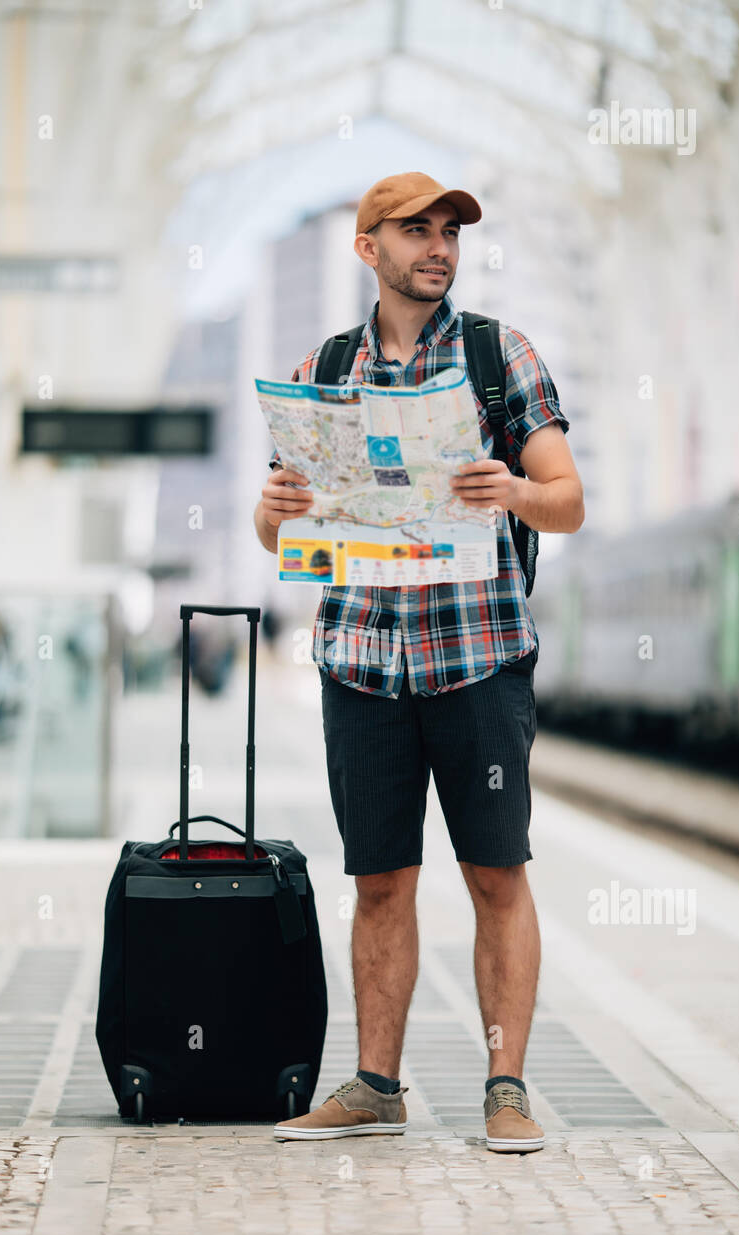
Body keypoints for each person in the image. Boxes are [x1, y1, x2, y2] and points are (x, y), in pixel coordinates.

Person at [254, 172, 584, 1152]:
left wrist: (515, 492)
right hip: (359, 662)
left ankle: (504, 1087)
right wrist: (271, 520)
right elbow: (290, 538)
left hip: (476, 660)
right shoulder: (324, 366)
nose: (437, 245)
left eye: (448, 230)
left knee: (495, 876)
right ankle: (374, 1085)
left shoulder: (497, 355)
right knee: (379, 881)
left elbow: (566, 499)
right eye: (414, 229)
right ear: (369, 249)